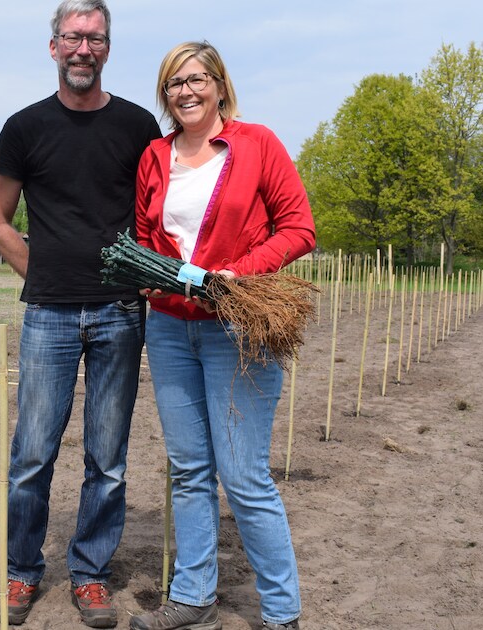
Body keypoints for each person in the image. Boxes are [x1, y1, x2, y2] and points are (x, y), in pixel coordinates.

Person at [0, 1, 161, 627]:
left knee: (107, 458)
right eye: (73, 37)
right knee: (33, 453)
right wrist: (43, 273)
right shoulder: (24, 128)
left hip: (120, 313)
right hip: (49, 318)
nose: (84, 49)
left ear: (108, 48)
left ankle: (89, 574)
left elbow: (158, 214)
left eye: (96, 38)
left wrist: (152, 279)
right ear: (53, 46)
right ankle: (22, 571)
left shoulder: (139, 126)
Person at [129, 41, 314, 630]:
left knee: (243, 475)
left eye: (196, 79)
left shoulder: (256, 144)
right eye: (174, 83)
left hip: (237, 329)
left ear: (218, 84)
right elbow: (144, 238)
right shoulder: (154, 158)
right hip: (170, 331)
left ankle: (282, 614)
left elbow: (300, 228)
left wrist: (247, 272)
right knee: (188, 469)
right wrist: (148, 279)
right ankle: (194, 596)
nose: (186, 91)